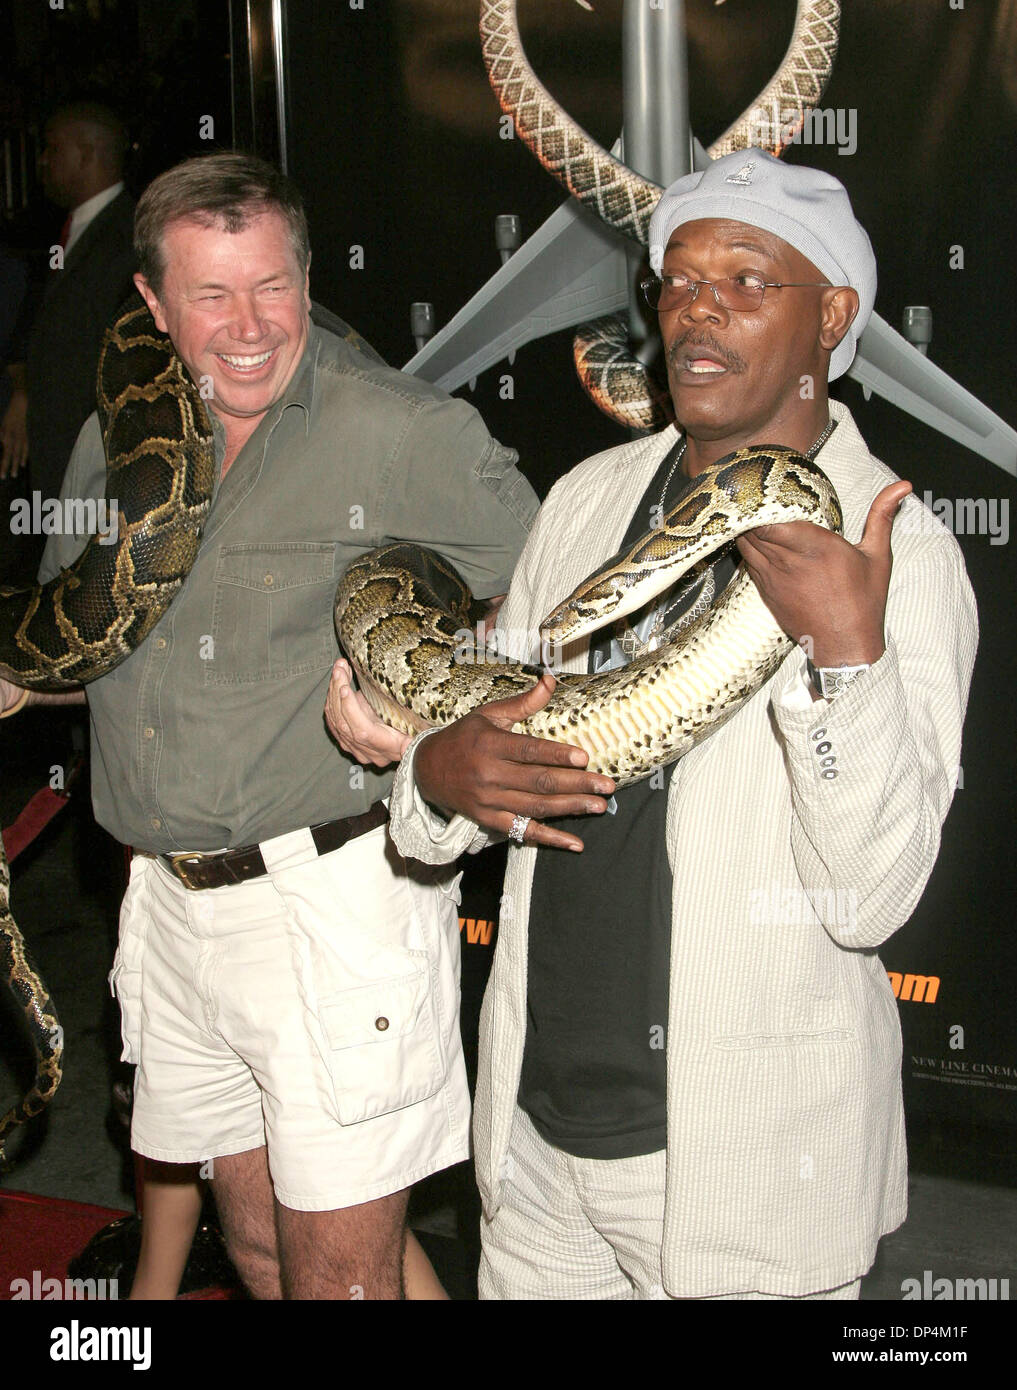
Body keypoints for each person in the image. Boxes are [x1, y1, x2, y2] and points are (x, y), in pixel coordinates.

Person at [327, 150, 978, 1299]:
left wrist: (844, 657)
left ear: (833, 317)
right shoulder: (584, 501)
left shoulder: (897, 553)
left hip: (745, 1170)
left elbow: (874, 896)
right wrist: (436, 774)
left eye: (746, 280)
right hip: (536, 1148)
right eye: (678, 281)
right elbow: (450, 810)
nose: (697, 308)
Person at [0, 152, 537, 1299]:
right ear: (149, 304)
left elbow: (547, 603)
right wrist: (16, 680)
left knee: (338, 1278)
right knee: (254, 1252)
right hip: (170, 902)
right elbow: (89, 647)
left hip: (330, 906)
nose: (249, 328)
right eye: (210, 295)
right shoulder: (114, 445)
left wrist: (428, 694)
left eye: (274, 287)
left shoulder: (399, 430)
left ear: (306, 275)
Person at [1, 102, 136, 504]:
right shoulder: (72, 230)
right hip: (58, 464)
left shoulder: (127, 237)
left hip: (93, 471)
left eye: (53, 148)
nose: (43, 160)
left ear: (88, 152)